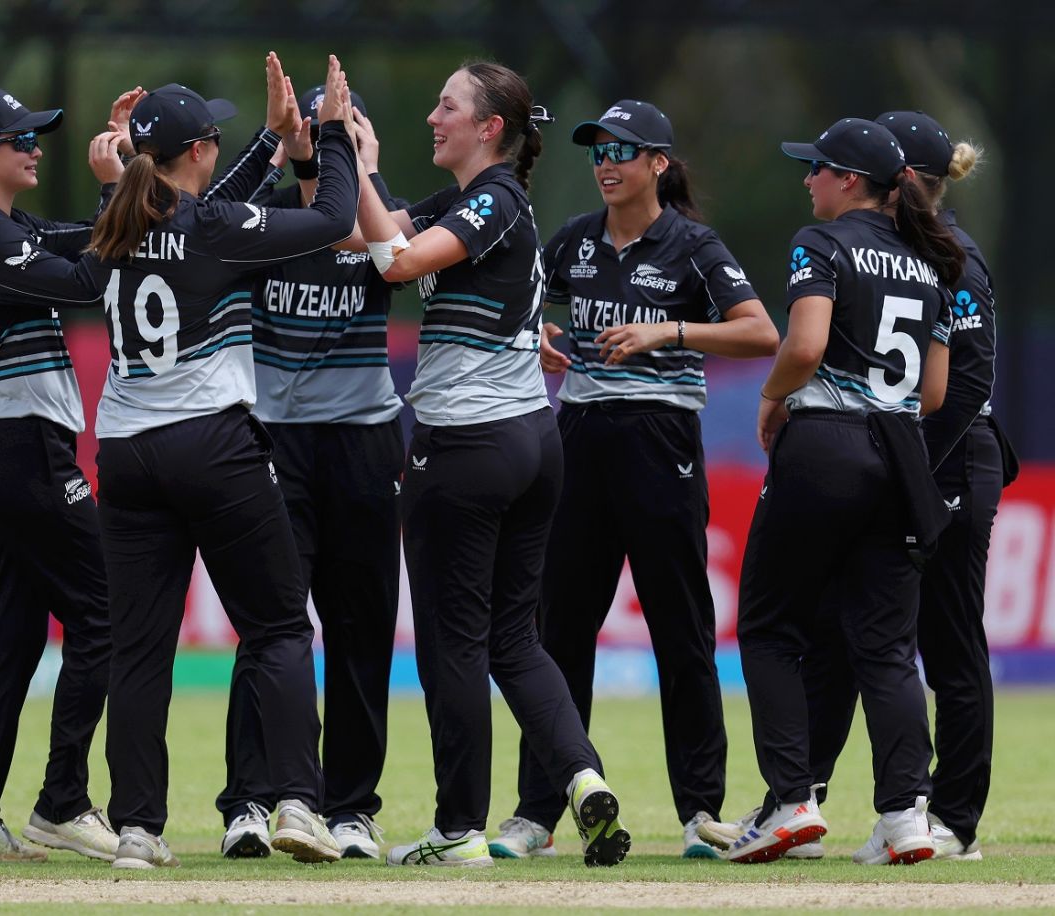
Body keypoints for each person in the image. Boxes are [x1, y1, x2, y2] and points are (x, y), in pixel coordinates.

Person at [353, 61, 631, 868]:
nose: (433, 117)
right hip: (528, 446)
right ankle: (583, 782)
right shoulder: (476, 199)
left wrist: (361, 166)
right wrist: (325, 161)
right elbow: (360, 232)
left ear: (491, 129)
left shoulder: (495, 198)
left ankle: (456, 831)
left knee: (454, 646)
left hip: (467, 451)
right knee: (515, 638)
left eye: (449, 106)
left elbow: (395, 263)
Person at [86, 54, 360, 869]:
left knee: (139, 647)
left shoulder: (113, 218)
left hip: (126, 454)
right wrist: (331, 133)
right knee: (277, 625)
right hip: (212, 445)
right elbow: (335, 215)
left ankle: (137, 827)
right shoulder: (207, 228)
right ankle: (300, 807)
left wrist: (273, 146)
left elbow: (199, 203)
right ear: (199, 150)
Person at [491, 99, 779, 862]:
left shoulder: (694, 245)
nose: (606, 164)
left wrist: (670, 330)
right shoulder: (574, 241)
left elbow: (762, 332)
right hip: (579, 437)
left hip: (661, 442)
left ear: (658, 163)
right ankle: (539, 812)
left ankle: (700, 813)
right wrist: (540, 338)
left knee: (681, 630)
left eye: (624, 151)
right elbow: (514, 305)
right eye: (597, 151)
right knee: (557, 632)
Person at [721, 118, 963, 865]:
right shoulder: (933, 264)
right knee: (887, 648)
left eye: (817, 168)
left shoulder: (819, 242)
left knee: (767, 627)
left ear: (850, 181)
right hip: (900, 453)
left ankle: (793, 801)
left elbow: (805, 346)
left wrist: (771, 398)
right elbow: (933, 393)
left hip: (825, 443)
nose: (808, 181)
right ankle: (904, 815)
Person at [791, 111, 1017, 862]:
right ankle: (802, 799)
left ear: (908, 182)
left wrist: (912, 472)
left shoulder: (959, 262)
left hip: (949, 463)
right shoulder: (901, 255)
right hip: (896, 460)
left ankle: (953, 821)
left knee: (948, 644)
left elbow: (968, 382)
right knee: (843, 635)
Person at [0, 87, 132, 862]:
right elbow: (84, 283)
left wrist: (133, 175)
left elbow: (93, 240)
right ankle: (63, 803)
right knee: (103, 611)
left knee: (12, 634)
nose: (36, 149)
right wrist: (117, 188)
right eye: (22, 140)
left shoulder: (2, 225)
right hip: (21, 450)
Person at [216, 88, 405, 861]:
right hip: (275, 444)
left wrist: (358, 165)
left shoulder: (381, 218)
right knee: (271, 628)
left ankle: (351, 808)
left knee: (362, 629)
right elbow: (218, 227)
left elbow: (398, 259)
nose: (328, 139)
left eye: (346, 126)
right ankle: (251, 803)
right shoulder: (269, 220)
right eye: (320, 128)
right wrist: (289, 145)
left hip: (363, 442)